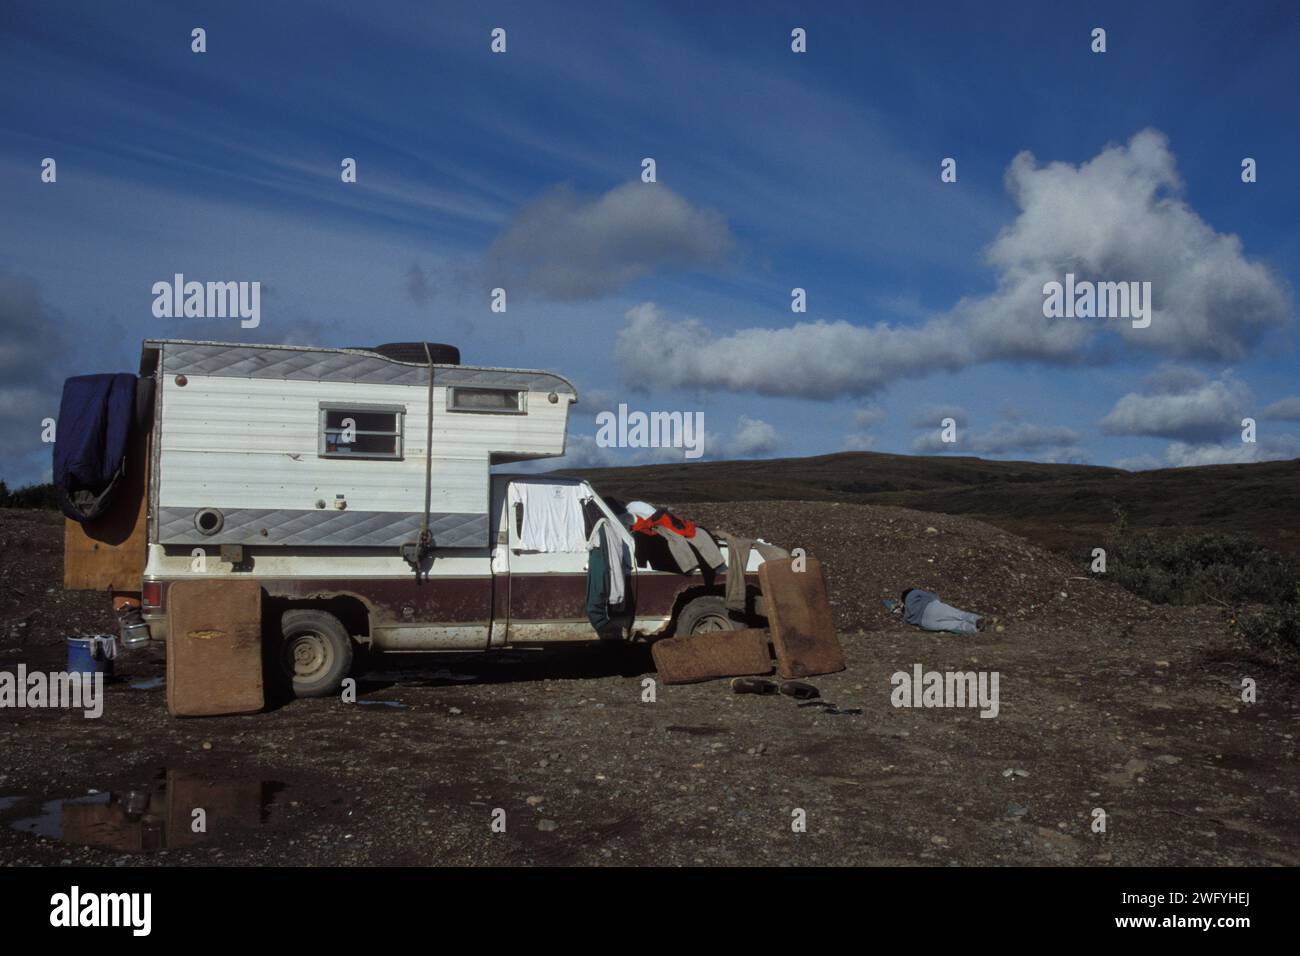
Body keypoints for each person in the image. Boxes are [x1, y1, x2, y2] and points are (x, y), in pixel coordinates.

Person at [900, 588, 984, 634]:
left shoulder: (907, 613)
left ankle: (974, 629)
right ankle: (976, 619)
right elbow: (931, 596)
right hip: (931, 608)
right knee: (958, 614)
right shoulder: (913, 593)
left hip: (926, 623)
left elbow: (906, 620)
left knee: (952, 625)